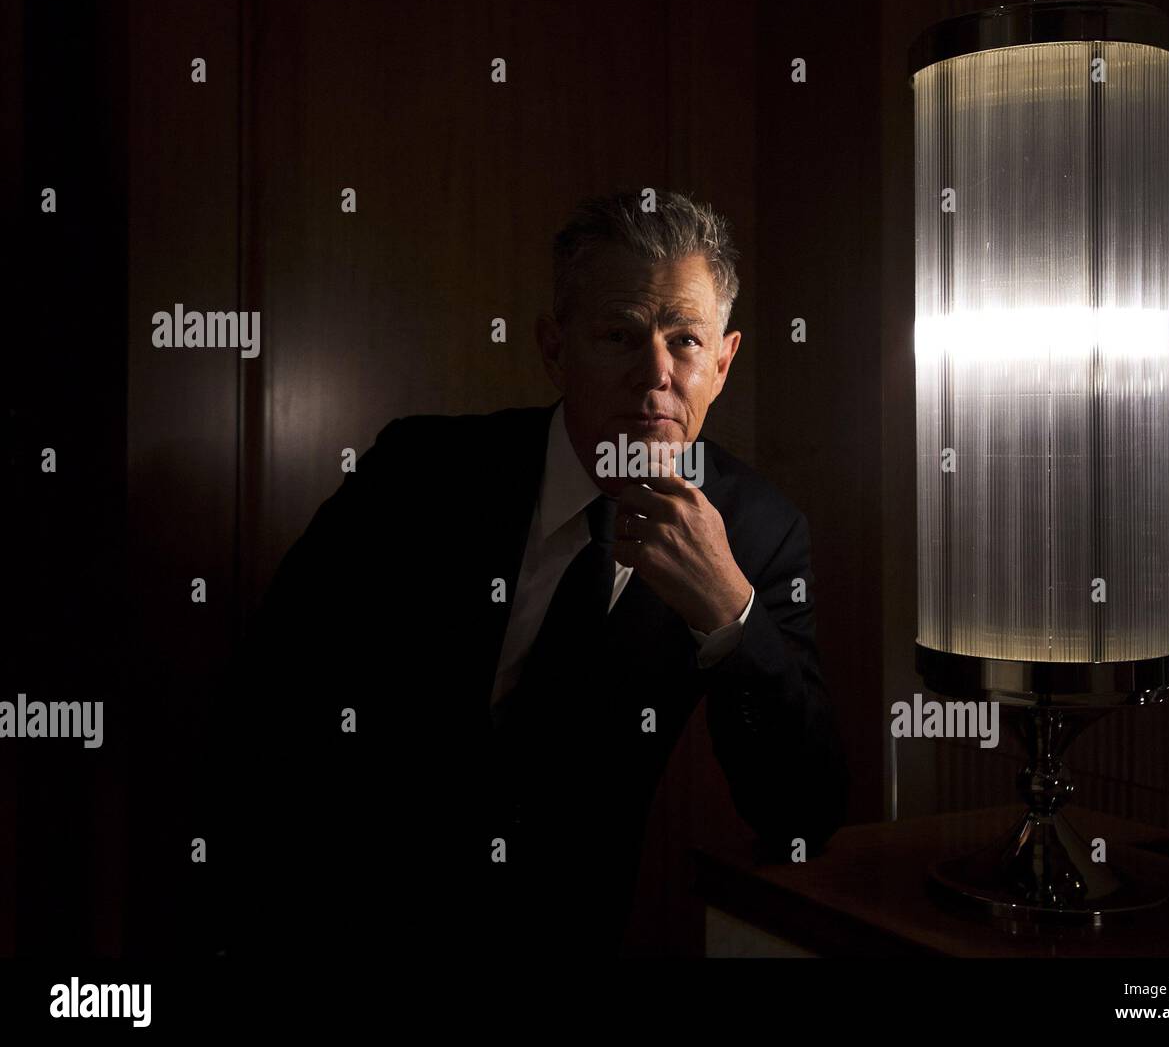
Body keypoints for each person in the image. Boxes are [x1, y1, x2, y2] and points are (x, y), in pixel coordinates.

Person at [221, 189, 848, 958]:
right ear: (554, 348)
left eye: (685, 341)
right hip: (338, 919)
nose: (656, 374)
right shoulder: (419, 473)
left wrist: (731, 615)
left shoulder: (761, 532)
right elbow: (267, 694)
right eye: (620, 334)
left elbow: (800, 811)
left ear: (723, 361)